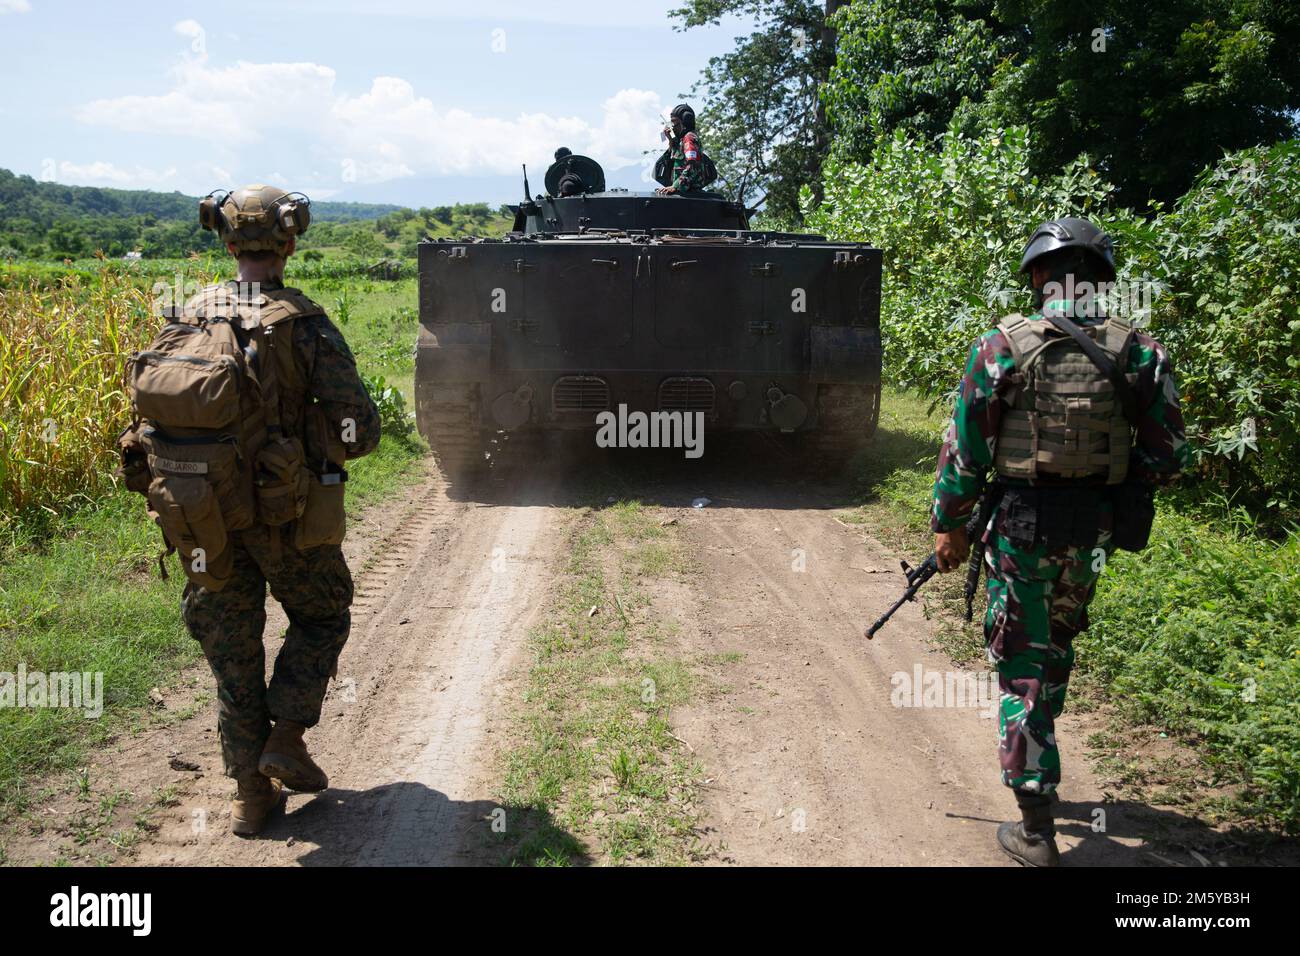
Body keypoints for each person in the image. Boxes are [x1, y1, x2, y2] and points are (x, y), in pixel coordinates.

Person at [929, 217, 1189, 866]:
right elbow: (1169, 456)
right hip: (1092, 534)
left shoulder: (1004, 346)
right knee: (1057, 645)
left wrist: (949, 523)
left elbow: (967, 450)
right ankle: (1040, 751)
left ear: (1039, 277)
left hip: (1021, 532)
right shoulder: (1141, 352)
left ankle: (1036, 825)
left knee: (1023, 668)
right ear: (1101, 280)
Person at [129, 185, 380, 836]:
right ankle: (288, 738)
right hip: (287, 516)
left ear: (227, 241)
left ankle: (250, 796)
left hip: (203, 518)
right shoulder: (305, 324)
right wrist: (311, 450)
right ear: (290, 242)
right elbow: (358, 428)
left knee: (234, 658)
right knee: (322, 615)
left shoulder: (185, 316)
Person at [655, 103, 706, 195]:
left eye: (674, 122)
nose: (672, 126)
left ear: (685, 121)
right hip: (685, 190)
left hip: (690, 192)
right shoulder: (682, 140)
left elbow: (692, 165)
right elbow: (675, 156)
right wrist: (670, 139)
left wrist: (676, 186)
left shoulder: (689, 138)